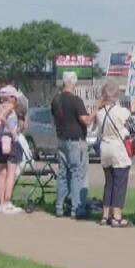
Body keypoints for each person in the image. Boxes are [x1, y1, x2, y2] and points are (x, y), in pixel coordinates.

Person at [51, 71, 94, 220]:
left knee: (63, 173)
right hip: (75, 140)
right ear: (74, 83)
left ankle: (59, 207)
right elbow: (86, 120)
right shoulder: (76, 100)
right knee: (77, 173)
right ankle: (77, 208)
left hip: (61, 138)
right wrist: (96, 110)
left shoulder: (55, 100)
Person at [94, 80, 134, 227]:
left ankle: (105, 215)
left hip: (105, 147)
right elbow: (133, 128)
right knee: (120, 183)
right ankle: (117, 216)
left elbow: (97, 131)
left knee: (109, 183)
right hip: (118, 148)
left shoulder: (99, 113)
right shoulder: (123, 112)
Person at [0, 86, 25, 214]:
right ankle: (7, 202)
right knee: (10, 173)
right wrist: (11, 130)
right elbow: (2, 118)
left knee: (2, 173)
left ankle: (1, 203)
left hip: (1, 141)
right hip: (11, 141)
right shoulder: (10, 107)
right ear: (11, 97)